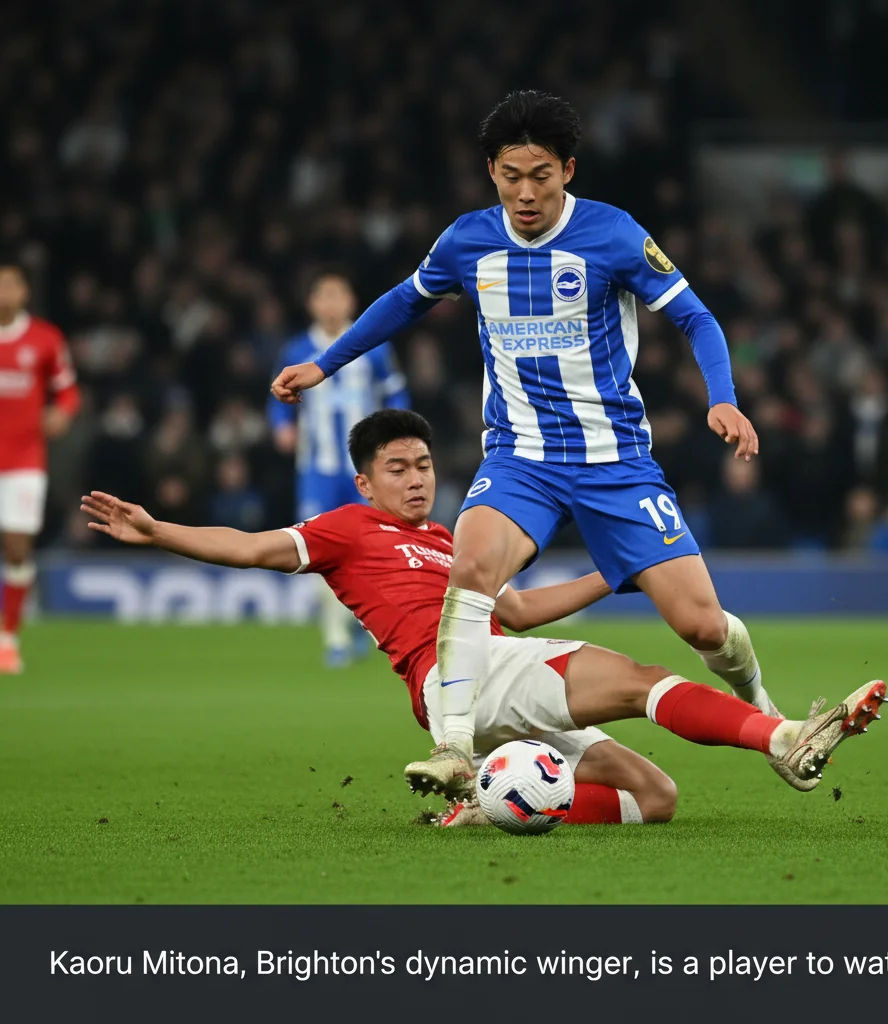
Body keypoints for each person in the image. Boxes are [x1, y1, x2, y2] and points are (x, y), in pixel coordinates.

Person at [270, 92, 781, 799]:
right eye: (511, 175)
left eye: (541, 174)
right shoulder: (467, 242)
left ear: (568, 169)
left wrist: (721, 396)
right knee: (473, 565)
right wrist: (326, 365)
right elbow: (403, 300)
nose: (526, 192)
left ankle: (766, 710)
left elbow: (696, 318)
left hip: (614, 460)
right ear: (492, 172)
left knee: (702, 626)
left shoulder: (614, 236)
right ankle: (451, 745)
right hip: (522, 458)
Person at [81, 409, 886, 826]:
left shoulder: (448, 541)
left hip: (497, 673)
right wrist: (158, 530)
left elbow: (522, 608)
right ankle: (781, 736)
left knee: (654, 796)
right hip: (452, 684)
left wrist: (614, 574)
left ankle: (489, 807)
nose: (414, 480)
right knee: (639, 680)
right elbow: (251, 549)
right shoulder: (346, 530)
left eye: (423, 465)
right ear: (365, 482)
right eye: (395, 469)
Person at [268, 267, 409, 667]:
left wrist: (400, 434)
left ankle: (362, 624)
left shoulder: (372, 345)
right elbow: (275, 395)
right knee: (317, 547)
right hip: (318, 466)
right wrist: (282, 426)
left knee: (371, 546)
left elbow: (396, 390)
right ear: (312, 303)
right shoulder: (297, 349)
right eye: (323, 296)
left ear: (350, 302)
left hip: (365, 469)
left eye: (338, 295)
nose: (331, 303)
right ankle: (335, 639)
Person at [0, 258, 81, 674]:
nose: (3, 292)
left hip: (23, 461)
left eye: (10, 285)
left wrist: (62, 413)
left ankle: (8, 639)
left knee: (16, 547)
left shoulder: (45, 339)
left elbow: (67, 391)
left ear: (24, 292)